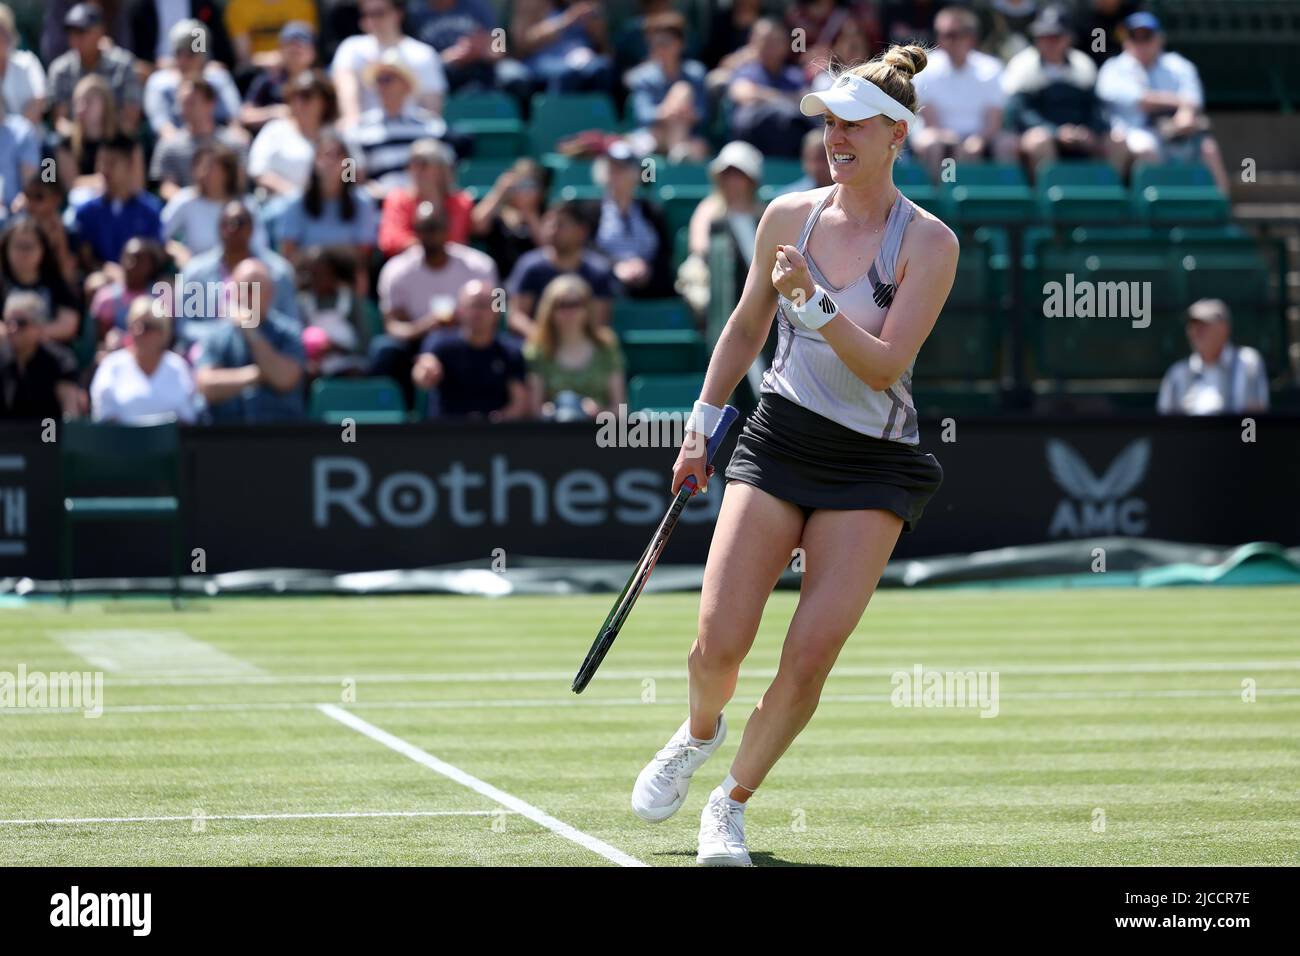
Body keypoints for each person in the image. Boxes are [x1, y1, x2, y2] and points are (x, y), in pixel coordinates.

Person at [629, 45, 956, 866]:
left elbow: (883, 364)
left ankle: (730, 803)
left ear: (896, 136)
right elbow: (743, 330)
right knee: (716, 646)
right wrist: (701, 423)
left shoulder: (932, 242)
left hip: (871, 464)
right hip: (779, 435)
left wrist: (810, 307)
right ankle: (699, 731)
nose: (835, 137)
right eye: (829, 124)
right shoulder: (787, 215)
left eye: (853, 124)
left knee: (809, 658)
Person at [371, 200, 497, 400]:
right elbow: (392, 325)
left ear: (448, 229)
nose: (430, 235)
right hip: (415, 344)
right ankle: (393, 418)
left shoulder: (479, 266)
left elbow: (498, 308)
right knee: (386, 351)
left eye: (435, 228)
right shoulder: (396, 271)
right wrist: (424, 327)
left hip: (467, 341)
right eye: (424, 229)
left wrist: (468, 322)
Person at [1096, 11, 1229, 192]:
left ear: (1160, 39)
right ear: (1126, 41)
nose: (1141, 43)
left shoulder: (1178, 65)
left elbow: (1194, 99)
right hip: (1134, 133)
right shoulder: (1114, 67)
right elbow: (1142, 100)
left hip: (1177, 132)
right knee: (1146, 148)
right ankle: (1155, 212)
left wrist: (1186, 114)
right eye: (1135, 37)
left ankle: (1222, 209)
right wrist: (1180, 103)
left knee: (1208, 148)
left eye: (1147, 37)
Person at [910, 6, 1018, 181]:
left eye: (952, 35)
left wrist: (979, 140)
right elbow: (930, 120)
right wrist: (951, 139)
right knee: (934, 144)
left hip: (982, 137)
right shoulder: (926, 69)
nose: (945, 41)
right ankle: (941, 197)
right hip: (938, 135)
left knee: (1007, 144)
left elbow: (994, 119)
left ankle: (1002, 199)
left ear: (970, 38)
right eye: (942, 35)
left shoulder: (990, 68)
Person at [1002, 4, 1113, 172]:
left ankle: (1104, 194)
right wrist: (1055, 132)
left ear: (1068, 37)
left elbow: (1095, 108)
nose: (1049, 42)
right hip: (1038, 133)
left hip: (1079, 133)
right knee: (1040, 140)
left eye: (1055, 36)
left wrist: (1090, 130)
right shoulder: (1022, 65)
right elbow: (1018, 112)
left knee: (1113, 141)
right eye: (1044, 36)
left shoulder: (1083, 64)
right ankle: (1048, 195)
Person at [193, 258, 305, 423]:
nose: (245, 295)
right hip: (226, 437)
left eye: (253, 289)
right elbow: (206, 386)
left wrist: (250, 330)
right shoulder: (216, 336)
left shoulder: (289, 332)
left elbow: (284, 379)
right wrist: (259, 375)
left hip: (280, 436)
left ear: (271, 293)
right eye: (240, 288)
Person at [412, 278, 530, 420]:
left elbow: (519, 402)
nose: (478, 312)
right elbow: (423, 369)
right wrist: (426, 373)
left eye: (484, 305)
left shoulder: (511, 350)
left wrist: (499, 420)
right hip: (447, 434)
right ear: (460, 310)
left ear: (497, 311)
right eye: (472, 305)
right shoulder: (439, 343)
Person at [345, 50, 450, 197]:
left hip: (420, 206)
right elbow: (348, 177)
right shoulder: (358, 130)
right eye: (378, 80)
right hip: (376, 208)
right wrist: (364, 189)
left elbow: (444, 174)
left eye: (387, 79)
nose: (381, 86)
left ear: (406, 85)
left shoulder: (431, 127)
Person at [505, 200, 615, 338]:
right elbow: (516, 317)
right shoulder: (529, 266)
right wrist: (544, 341)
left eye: (560, 225)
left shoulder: (598, 271)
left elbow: (599, 323)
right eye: (548, 224)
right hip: (538, 351)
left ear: (582, 231)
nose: (553, 230)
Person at [330, 0, 447, 127]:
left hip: (413, 135)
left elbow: (433, 112)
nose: (372, 19)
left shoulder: (423, 54)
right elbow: (349, 105)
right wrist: (356, 131)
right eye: (366, 14)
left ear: (398, 14)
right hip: (367, 136)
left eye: (379, 13)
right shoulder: (350, 48)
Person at [524, 274, 625, 418]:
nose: (569, 312)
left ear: (587, 309)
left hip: (598, 432)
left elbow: (620, 409)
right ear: (549, 311)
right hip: (553, 434)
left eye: (575, 304)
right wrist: (550, 411)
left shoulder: (606, 345)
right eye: (561, 305)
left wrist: (599, 411)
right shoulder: (537, 350)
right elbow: (535, 410)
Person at [275, 131, 379, 266]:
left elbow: (362, 258)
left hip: (346, 281)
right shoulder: (295, 203)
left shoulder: (362, 202)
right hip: (306, 281)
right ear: (315, 161)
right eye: (325, 155)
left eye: (337, 156)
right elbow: (288, 256)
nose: (330, 162)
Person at [90, 296, 197, 423]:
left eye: (147, 327)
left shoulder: (178, 366)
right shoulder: (111, 365)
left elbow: (187, 418)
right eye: (134, 325)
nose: (139, 332)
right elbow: (103, 417)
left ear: (163, 332)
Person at [622, 11, 709, 161]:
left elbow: (702, 113)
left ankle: (677, 170)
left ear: (680, 44)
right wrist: (669, 111)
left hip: (687, 136)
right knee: (646, 153)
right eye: (655, 43)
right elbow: (643, 114)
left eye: (665, 43)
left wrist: (684, 114)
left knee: (698, 147)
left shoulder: (696, 73)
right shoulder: (643, 77)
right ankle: (652, 179)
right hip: (653, 135)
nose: (659, 48)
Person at [1157, 299, 1269, 416]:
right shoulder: (1176, 373)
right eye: (1192, 325)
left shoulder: (1248, 362)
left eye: (1204, 325)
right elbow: (1166, 425)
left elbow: (1254, 418)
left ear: (1224, 328)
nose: (1196, 331)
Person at [46, 3, 142, 135]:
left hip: (114, 141)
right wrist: (86, 139)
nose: (76, 38)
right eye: (71, 32)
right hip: (75, 143)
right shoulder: (60, 69)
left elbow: (130, 119)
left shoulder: (123, 65)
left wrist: (101, 137)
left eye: (82, 31)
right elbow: (60, 121)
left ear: (100, 32)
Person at [724, 18, 812, 158]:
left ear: (785, 45)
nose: (768, 47)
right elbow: (742, 93)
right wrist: (783, 98)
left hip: (790, 146)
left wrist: (763, 96)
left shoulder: (794, 76)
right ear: (753, 43)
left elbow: (806, 101)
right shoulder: (745, 71)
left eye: (775, 42)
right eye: (764, 41)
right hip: (751, 146)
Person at [72, 135, 164, 270]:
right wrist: (107, 271)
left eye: (112, 163)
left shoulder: (150, 210)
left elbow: (157, 255)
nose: (105, 169)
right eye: (102, 162)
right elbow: (86, 258)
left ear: (129, 165)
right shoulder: (86, 212)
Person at [149, 77, 248, 201]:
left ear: (210, 103)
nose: (184, 109)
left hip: (226, 210)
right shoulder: (168, 145)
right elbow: (166, 187)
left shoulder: (234, 144)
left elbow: (239, 184)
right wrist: (194, 205)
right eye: (182, 103)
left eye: (191, 102)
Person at [591, 140, 668, 298]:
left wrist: (646, 267)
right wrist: (615, 266)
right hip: (606, 283)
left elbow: (664, 252)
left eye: (624, 168)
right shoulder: (592, 210)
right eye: (613, 168)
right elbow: (588, 249)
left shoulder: (652, 210)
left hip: (648, 284)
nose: (617, 174)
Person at [142, 19, 242, 138]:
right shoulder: (159, 83)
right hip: (178, 146)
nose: (184, 60)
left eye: (190, 53)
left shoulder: (218, 78)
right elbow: (163, 127)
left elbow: (234, 120)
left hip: (217, 145)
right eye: (179, 53)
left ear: (203, 55)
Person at [496, 0, 612, 102]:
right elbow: (522, 43)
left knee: (601, 70)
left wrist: (592, 24)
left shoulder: (587, 4)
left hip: (587, 64)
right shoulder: (532, 3)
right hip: (545, 66)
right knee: (568, 76)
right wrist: (567, 20)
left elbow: (605, 47)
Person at [248, 69, 338, 197]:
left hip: (330, 210)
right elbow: (259, 171)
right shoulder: (274, 130)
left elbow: (352, 171)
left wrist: (342, 191)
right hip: (282, 208)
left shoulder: (336, 135)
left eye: (306, 96)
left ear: (324, 102)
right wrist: (296, 196)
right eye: (294, 96)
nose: (298, 102)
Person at [376, 137, 472, 256]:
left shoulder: (460, 201)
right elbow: (390, 241)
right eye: (412, 163)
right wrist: (428, 245)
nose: (416, 170)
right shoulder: (397, 198)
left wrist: (434, 198)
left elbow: (455, 240)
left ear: (442, 169)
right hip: (407, 266)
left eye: (423, 164)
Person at [0, 291, 84, 420]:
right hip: (6, 438)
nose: (12, 329)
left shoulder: (60, 361)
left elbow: (70, 411)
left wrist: (68, 436)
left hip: (47, 436)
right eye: (8, 323)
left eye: (20, 323)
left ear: (38, 326)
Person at [0, 216, 83, 343]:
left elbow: (68, 324)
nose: (23, 253)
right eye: (18, 246)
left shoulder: (55, 283)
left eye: (29, 247)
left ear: (42, 250)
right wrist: (12, 334)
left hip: (48, 353)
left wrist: (31, 333)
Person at [162, 144, 247, 262]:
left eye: (211, 167)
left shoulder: (245, 205)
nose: (203, 172)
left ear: (227, 172)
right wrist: (177, 250)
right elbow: (158, 235)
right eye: (200, 166)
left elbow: (258, 245)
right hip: (196, 276)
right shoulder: (184, 200)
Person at [469, 157, 545, 279]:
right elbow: (476, 226)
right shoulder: (497, 214)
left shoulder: (544, 216)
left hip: (532, 284)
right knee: (498, 297)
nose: (524, 190)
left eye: (530, 185)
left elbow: (548, 248)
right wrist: (499, 192)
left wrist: (530, 213)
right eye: (519, 184)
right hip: (499, 284)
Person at [240, 20, 320, 131]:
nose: (295, 49)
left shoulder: (322, 82)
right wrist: (273, 113)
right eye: (289, 45)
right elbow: (245, 115)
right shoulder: (269, 80)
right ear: (280, 50)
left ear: (313, 51)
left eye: (300, 45)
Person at [406, 0, 501, 92]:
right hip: (436, 71)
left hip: (477, 67)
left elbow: (499, 49)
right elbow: (408, 56)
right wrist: (444, 58)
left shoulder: (479, 5)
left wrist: (479, 50)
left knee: (510, 73)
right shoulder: (414, 11)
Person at [224, 0, 319, 71]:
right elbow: (244, 58)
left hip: (297, 67)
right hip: (259, 70)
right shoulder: (239, 5)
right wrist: (276, 60)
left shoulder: (301, 3)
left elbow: (307, 51)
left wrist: (284, 59)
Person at [0, 4, 45, 124]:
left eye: (4, 31)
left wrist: (16, 135)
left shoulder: (28, 62)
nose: (2, 37)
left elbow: (39, 100)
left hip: (31, 139)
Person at [778, 128, 833, 195]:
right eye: (811, 159)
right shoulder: (791, 197)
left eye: (823, 158)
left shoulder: (847, 196)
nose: (817, 166)